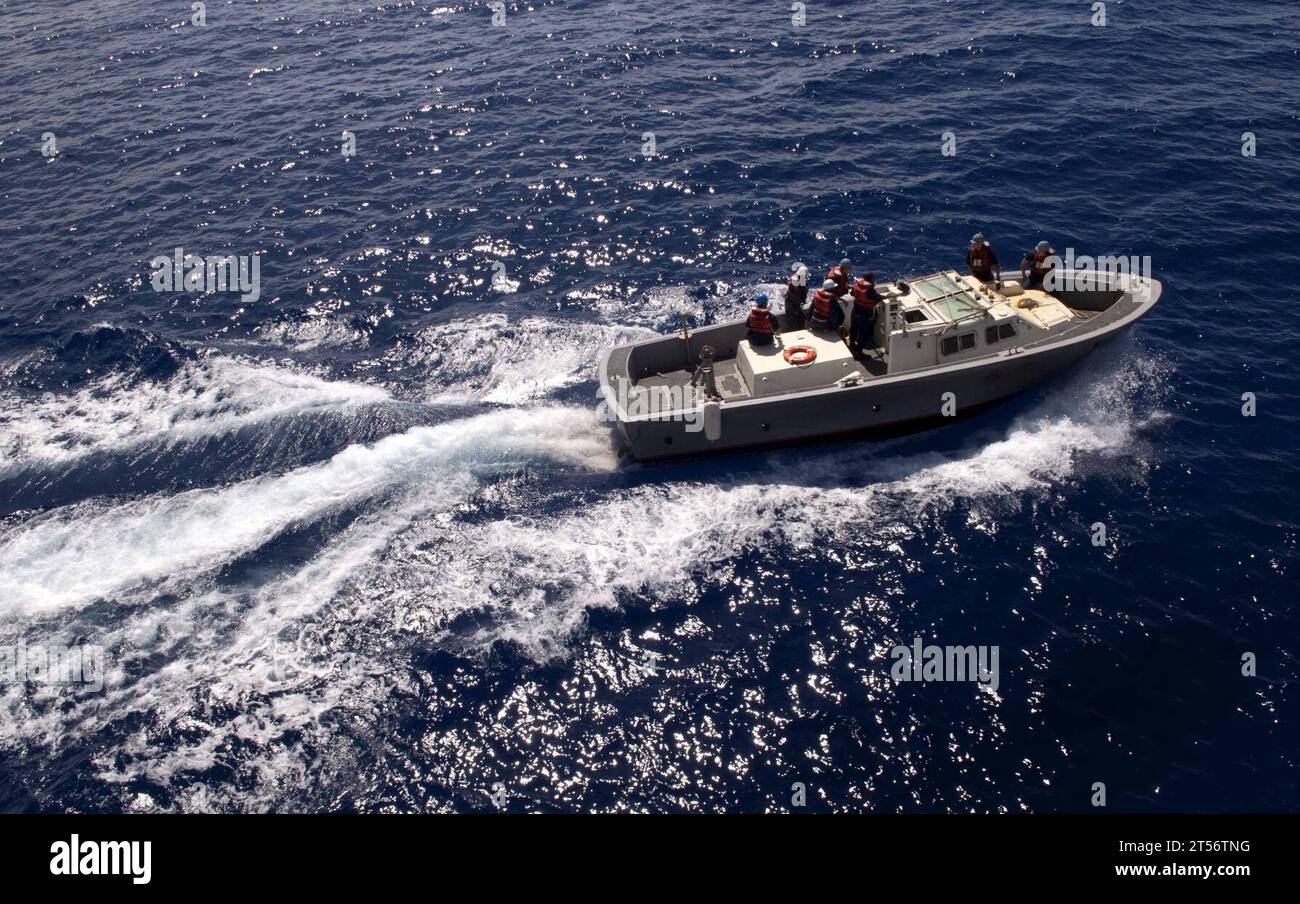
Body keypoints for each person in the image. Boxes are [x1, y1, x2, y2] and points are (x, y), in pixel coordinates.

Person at [849, 273, 882, 356]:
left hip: (855, 311)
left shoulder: (857, 285)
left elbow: (852, 294)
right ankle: (859, 353)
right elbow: (877, 298)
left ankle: (851, 345)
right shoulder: (869, 290)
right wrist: (887, 296)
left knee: (854, 329)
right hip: (865, 314)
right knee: (863, 333)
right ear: (870, 279)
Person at [784, 262, 809, 331]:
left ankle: (800, 328)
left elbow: (803, 293)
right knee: (791, 321)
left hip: (797, 303)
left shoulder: (801, 279)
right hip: (791, 303)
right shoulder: (795, 282)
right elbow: (796, 295)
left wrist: (803, 301)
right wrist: (800, 302)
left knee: (801, 319)